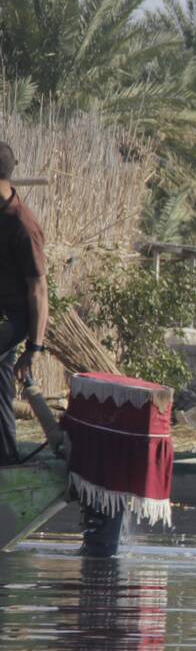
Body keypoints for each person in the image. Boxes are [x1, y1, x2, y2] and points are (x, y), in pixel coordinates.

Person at [0, 142, 50, 464]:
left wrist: (35, 348)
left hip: (14, 319)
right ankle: (6, 457)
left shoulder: (22, 225)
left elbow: (39, 289)